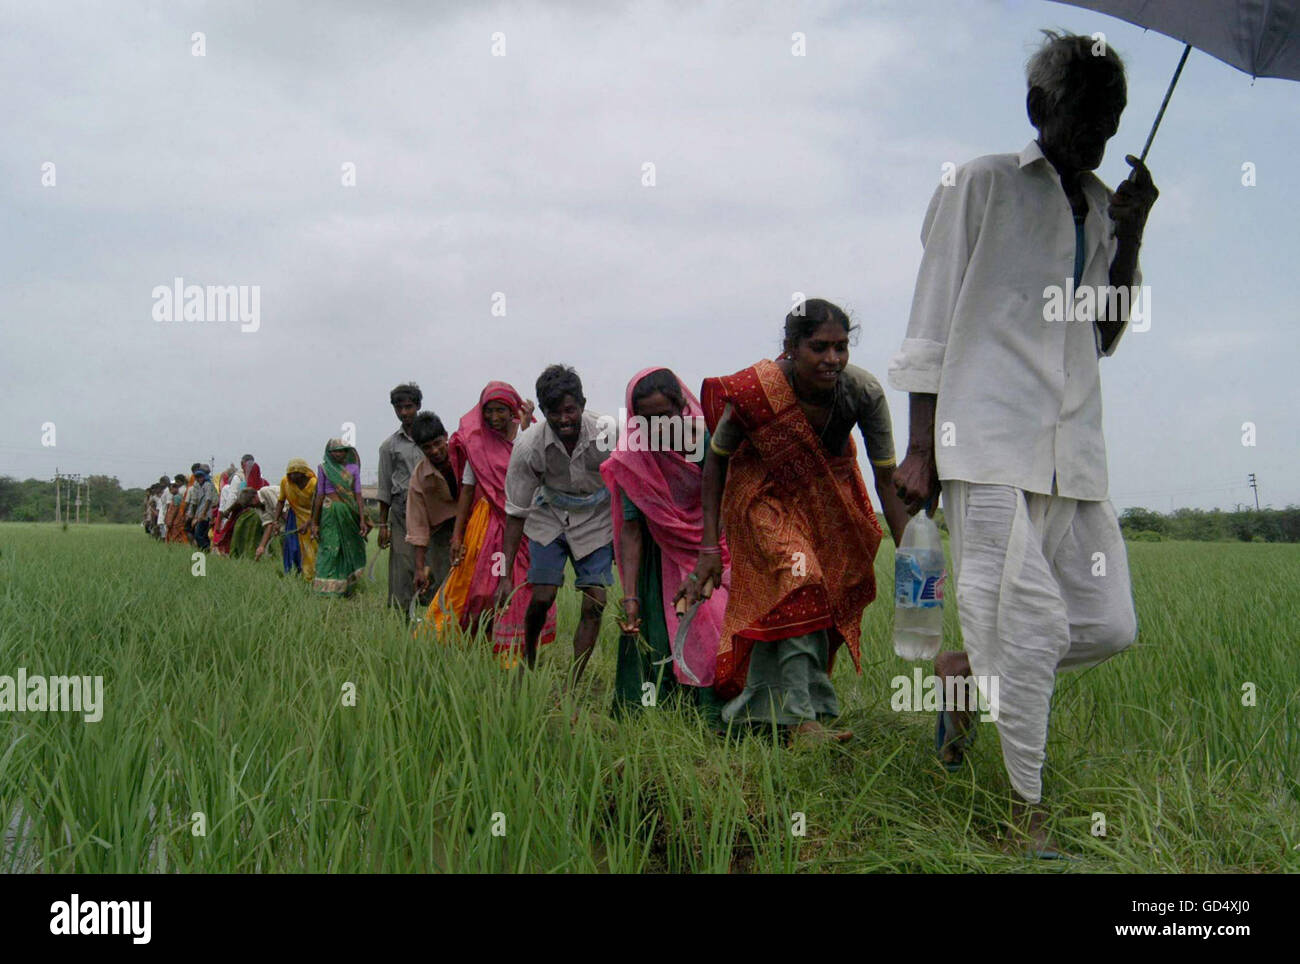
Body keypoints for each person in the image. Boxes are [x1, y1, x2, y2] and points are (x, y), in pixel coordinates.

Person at [888, 31, 1154, 855]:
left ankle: (969, 671)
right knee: (1029, 627)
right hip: (988, 438)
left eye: (1111, 121)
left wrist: (1133, 233)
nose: (1097, 137)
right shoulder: (981, 185)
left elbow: (1106, 334)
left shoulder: (1105, 207)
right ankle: (1023, 819)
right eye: (1084, 115)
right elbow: (932, 316)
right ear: (1039, 107)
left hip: (1073, 448)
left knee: (1109, 624)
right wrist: (921, 447)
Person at [680, 299, 906, 744]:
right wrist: (710, 547)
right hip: (760, 495)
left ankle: (768, 709)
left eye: (841, 348)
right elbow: (716, 464)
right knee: (803, 575)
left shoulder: (863, 392)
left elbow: (886, 477)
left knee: (821, 596)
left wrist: (913, 554)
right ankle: (803, 722)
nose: (832, 359)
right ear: (791, 347)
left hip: (826, 502)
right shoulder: (755, 392)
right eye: (819, 348)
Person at [601, 367, 729, 724]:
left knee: (713, 624)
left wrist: (712, 553)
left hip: (708, 547)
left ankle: (718, 713)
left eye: (665, 417)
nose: (658, 428)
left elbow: (724, 503)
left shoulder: (704, 441)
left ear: (682, 408)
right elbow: (632, 530)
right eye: (647, 419)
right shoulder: (633, 455)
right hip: (658, 557)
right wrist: (630, 596)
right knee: (659, 636)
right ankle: (669, 714)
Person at [423, 382, 553, 664]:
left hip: (523, 523)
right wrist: (457, 536)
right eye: (489, 411)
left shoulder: (528, 435)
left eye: (501, 410)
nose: (494, 417)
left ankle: (512, 653)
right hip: (486, 523)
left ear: (512, 410)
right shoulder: (477, 444)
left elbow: (538, 473)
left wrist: (528, 427)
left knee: (518, 587)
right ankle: (469, 641)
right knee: (479, 589)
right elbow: (467, 491)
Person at [497, 365, 614, 680]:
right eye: (554, 412)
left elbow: (630, 482)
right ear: (543, 412)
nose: (564, 419)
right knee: (543, 595)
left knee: (595, 602)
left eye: (570, 410)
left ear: (582, 404)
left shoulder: (608, 433)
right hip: (549, 516)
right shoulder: (528, 446)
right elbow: (515, 512)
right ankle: (529, 657)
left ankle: (575, 680)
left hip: (596, 519)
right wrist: (505, 574)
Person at [377, 383, 426, 614]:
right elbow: (385, 487)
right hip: (401, 510)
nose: (404, 412)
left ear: (417, 406)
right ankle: (402, 614)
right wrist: (383, 524)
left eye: (408, 406)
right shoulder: (389, 446)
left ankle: (431, 614)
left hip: (431, 510)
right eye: (399, 408)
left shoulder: (432, 437)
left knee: (432, 563)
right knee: (403, 565)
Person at [404, 412, 459, 615]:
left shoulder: (465, 456)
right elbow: (418, 524)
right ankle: (449, 631)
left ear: (446, 436)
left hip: (474, 526)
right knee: (447, 585)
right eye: (427, 448)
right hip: (442, 534)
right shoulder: (419, 478)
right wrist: (420, 568)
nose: (435, 451)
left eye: (438, 443)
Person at [310, 439, 370, 597]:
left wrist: (362, 519)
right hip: (329, 512)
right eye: (334, 451)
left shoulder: (353, 469)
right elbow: (320, 495)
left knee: (347, 547)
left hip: (348, 512)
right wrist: (314, 522)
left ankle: (345, 587)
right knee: (329, 548)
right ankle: (324, 589)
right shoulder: (324, 468)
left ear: (347, 452)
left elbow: (358, 494)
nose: (338, 454)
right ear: (328, 453)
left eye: (342, 450)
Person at [276, 458, 318, 580]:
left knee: (311, 550)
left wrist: (309, 522)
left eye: (296, 473)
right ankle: (293, 575)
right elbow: (280, 502)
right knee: (293, 548)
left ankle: (310, 577)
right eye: (291, 473)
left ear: (304, 472)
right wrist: (275, 521)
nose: (293, 476)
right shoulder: (285, 483)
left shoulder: (314, 484)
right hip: (294, 520)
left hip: (313, 519)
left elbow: (318, 506)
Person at [187, 465, 216, 551]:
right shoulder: (199, 486)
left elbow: (208, 500)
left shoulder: (208, 485)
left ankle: (206, 549)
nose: (198, 479)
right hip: (201, 513)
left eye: (200, 477)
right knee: (201, 534)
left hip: (206, 514)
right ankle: (204, 550)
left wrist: (203, 514)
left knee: (199, 534)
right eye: (197, 477)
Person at [165, 475, 189, 542]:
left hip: (177, 520)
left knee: (177, 536)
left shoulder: (177, 497)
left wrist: (170, 520)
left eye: (171, 489)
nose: (170, 491)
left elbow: (175, 510)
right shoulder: (177, 496)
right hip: (178, 519)